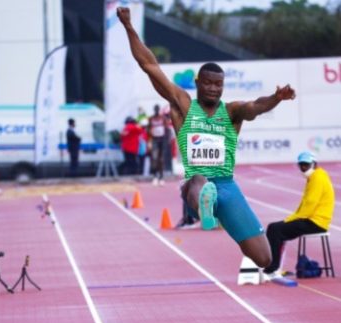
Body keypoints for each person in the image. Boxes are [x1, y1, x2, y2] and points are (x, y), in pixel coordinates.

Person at [118, 6, 296, 268]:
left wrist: (276, 98)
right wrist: (128, 25)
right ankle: (204, 208)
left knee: (265, 258)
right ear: (198, 81)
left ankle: (214, 208)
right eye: (208, 83)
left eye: (218, 84)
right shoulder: (184, 106)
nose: (213, 88)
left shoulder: (232, 112)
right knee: (200, 180)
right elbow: (149, 65)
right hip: (195, 187)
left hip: (227, 187)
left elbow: (256, 106)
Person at [261, 152, 335, 281]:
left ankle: (272, 268)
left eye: (306, 165)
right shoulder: (317, 176)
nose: (303, 168)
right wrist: (292, 218)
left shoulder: (317, 178)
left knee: (275, 229)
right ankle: (274, 267)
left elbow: (309, 205)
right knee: (276, 228)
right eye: (301, 165)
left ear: (314, 164)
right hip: (313, 220)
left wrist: (290, 219)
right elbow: (306, 204)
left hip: (315, 223)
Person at [148, 105, 169, 186]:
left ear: (159, 110)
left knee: (161, 159)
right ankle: (155, 176)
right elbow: (148, 129)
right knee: (154, 158)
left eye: (157, 109)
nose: (156, 111)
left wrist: (167, 141)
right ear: (154, 110)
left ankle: (161, 177)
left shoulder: (163, 118)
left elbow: (167, 129)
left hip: (162, 140)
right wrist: (149, 141)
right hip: (154, 140)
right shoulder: (151, 118)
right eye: (155, 109)